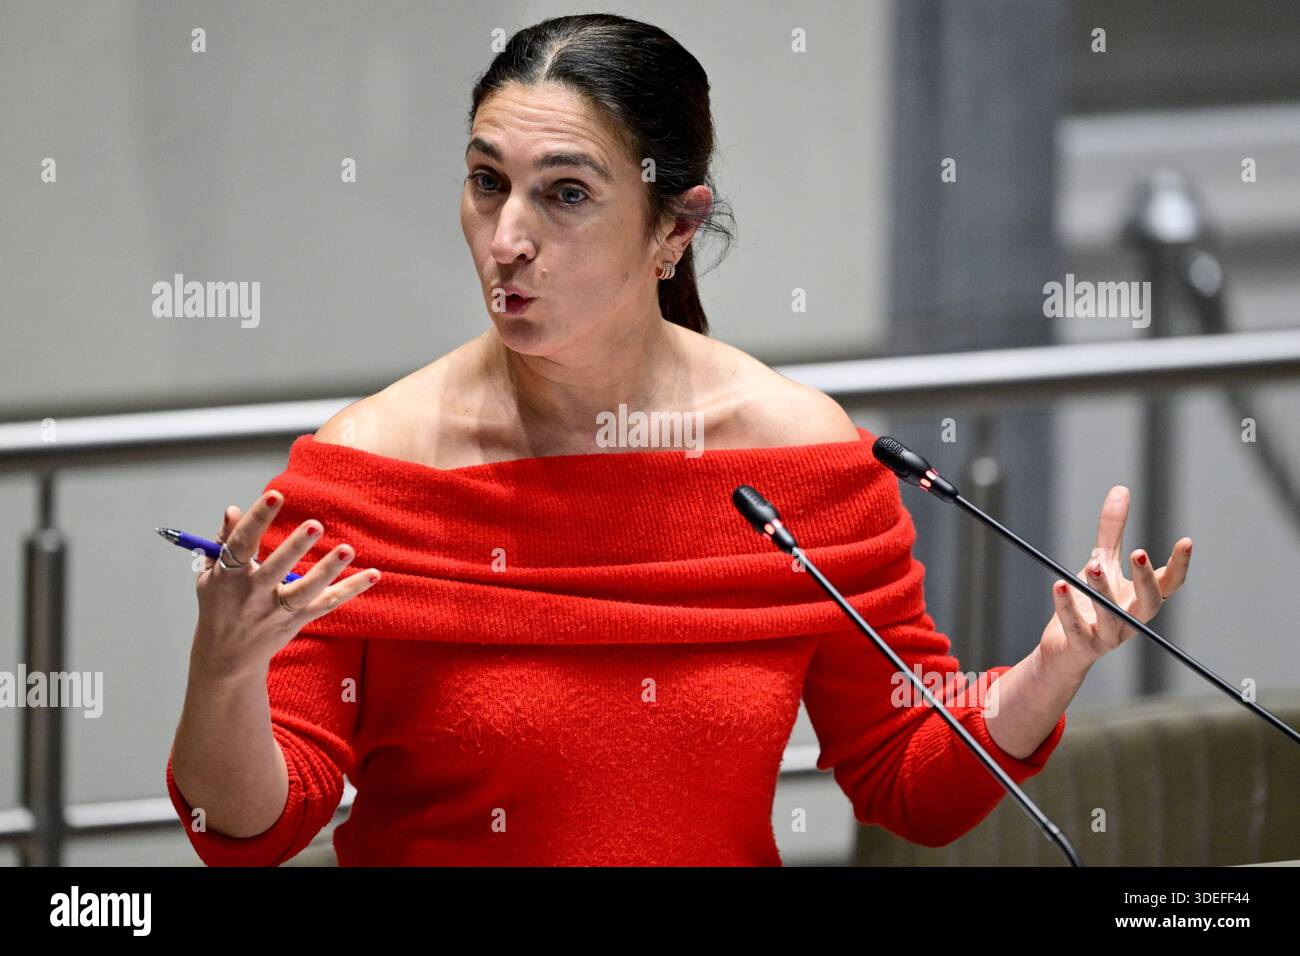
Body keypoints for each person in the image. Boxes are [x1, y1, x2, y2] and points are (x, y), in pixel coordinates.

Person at [165, 13, 1193, 866]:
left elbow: (904, 773)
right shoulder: (367, 475)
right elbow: (244, 829)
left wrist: (1053, 664)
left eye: (564, 194)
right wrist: (224, 671)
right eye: (488, 182)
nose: (507, 237)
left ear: (674, 227)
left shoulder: (798, 459)